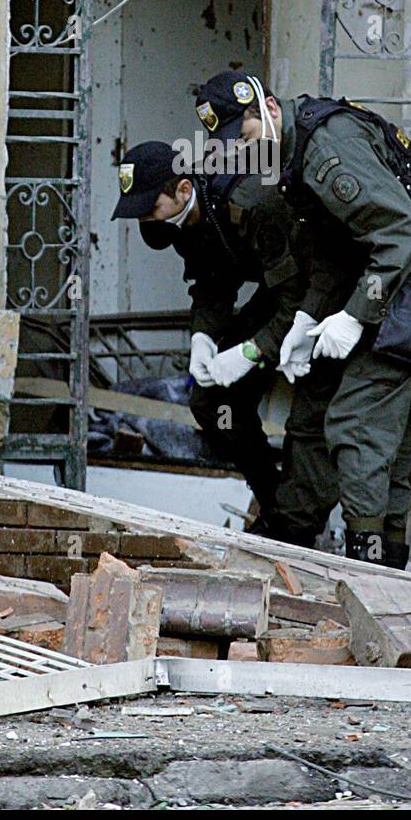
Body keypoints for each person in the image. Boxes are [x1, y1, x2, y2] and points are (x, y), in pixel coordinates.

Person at [193, 70, 411, 566]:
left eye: (242, 137)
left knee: (356, 420)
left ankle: (368, 571)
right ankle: (389, 577)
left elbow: (399, 232)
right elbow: (335, 249)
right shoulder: (294, 154)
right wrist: (304, 323)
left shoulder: (325, 149)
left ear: (267, 108)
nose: (242, 151)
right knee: (391, 439)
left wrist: (353, 317)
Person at [111, 139, 312, 534]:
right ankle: (276, 509)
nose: (147, 222)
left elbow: (298, 294)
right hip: (282, 293)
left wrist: (253, 351)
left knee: (313, 422)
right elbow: (213, 286)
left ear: (183, 189)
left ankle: (303, 526)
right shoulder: (186, 221)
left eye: (151, 209)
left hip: (324, 298)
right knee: (213, 402)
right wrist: (203, 336)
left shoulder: (252, 200)